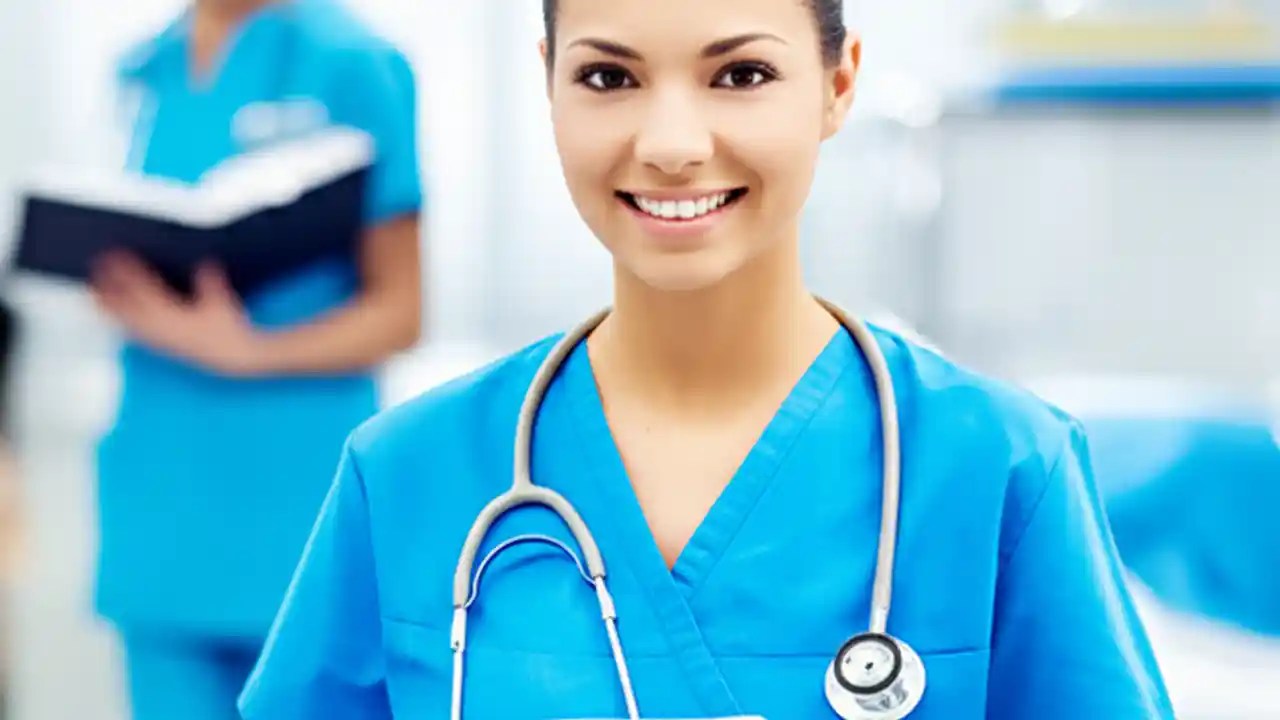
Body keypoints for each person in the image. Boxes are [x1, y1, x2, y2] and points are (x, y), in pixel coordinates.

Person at [238, 0, 1175, 717]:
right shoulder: (409, 474)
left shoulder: (1001, 468)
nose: (672, 146)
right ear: (548, 83)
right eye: (609, 77)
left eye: (741, 75)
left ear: (839, 83)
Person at [88, 0, 423, 718]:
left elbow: (400, 311)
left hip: (297, 497)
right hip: (159, 497)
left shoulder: (352, 63)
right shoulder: (145, 69)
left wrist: (248, 351)